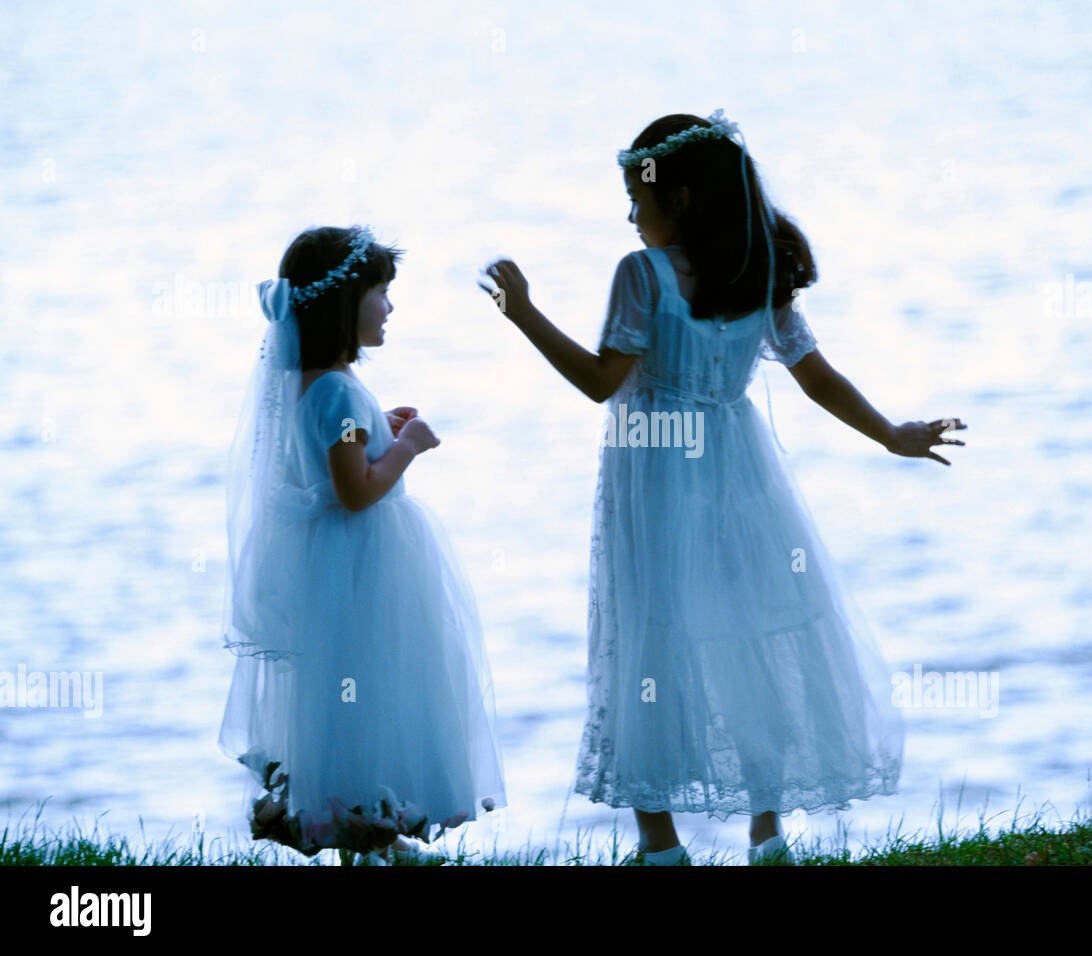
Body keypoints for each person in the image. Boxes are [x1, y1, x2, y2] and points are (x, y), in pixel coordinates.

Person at [479, 110, 965, 866]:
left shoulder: (641, 274)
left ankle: (661, 844)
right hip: (740, 471)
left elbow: (601, 383)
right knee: (749, 630)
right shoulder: (755, 269)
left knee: (650, 639)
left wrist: (524, 313)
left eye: (636, 198)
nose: (628, 215)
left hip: (655, 473)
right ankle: (766, 831)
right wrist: (890, 434)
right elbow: (818, 376)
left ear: (678, 198)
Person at [220, 224, 506, 865]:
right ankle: (370, 827)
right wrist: (407, 446)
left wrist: (383, 428)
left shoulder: (315, 383)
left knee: (349, 696)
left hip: (337, 567)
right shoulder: (340, 389)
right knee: (376, 687)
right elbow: (355, 489)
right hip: (365, 563)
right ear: (346, 304)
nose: (391, 308)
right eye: (382, 294)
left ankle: (367, 834)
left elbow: (334, 461)